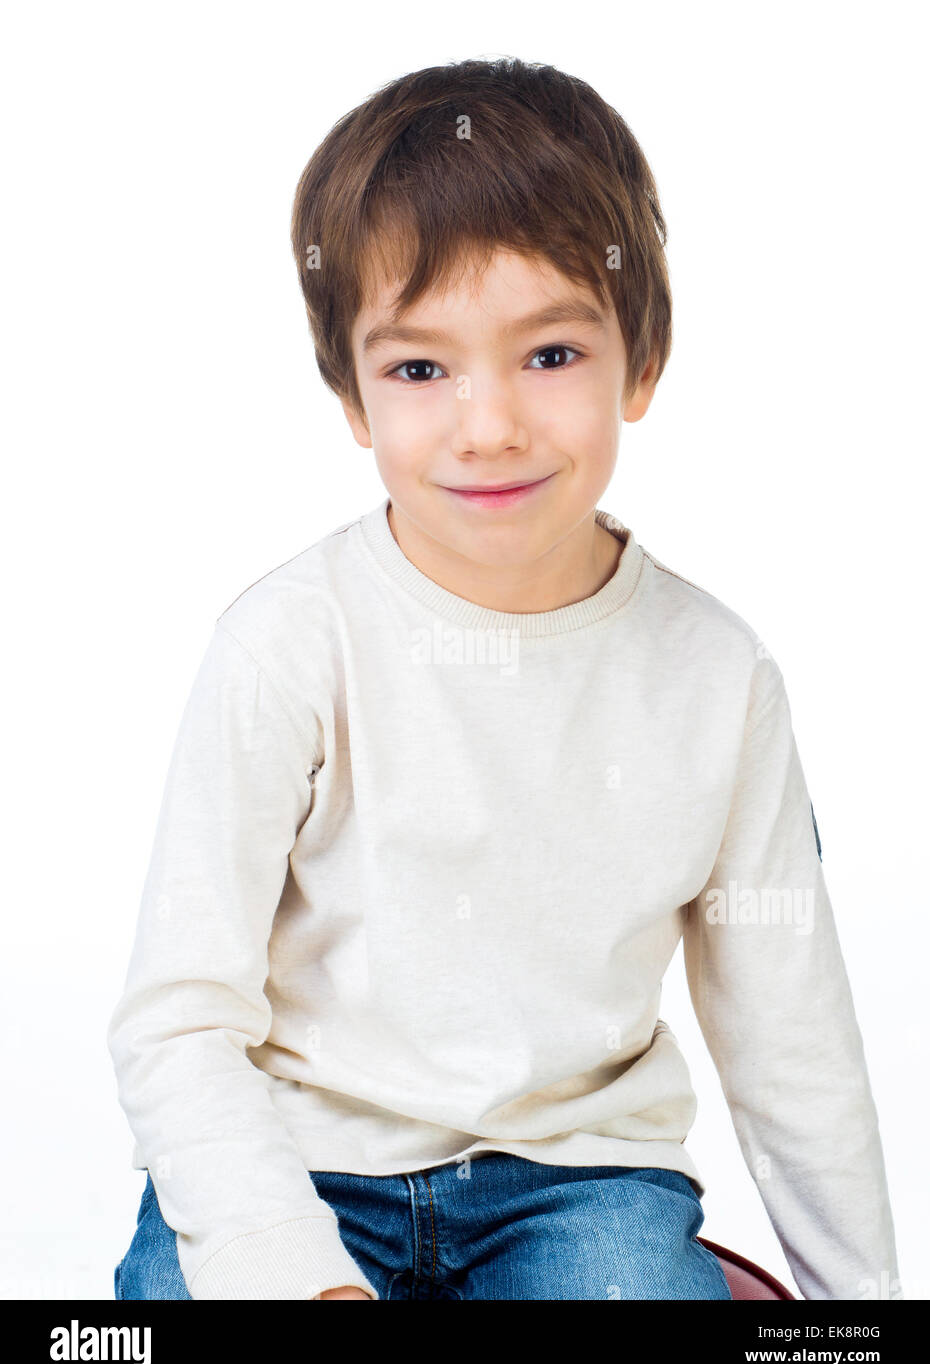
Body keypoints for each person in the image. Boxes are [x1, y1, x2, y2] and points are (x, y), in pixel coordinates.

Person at [107, 56, 899, 1301]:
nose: (488, 425)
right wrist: (286, 1267)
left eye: (550, 354)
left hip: (577, 1185)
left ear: (642, 360)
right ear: (352, 396)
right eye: (421, 369)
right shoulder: (287, 645)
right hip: (298, 1162)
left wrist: (861, 1309)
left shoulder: (719, 676)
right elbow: (178, 1017)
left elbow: (789, 1034)